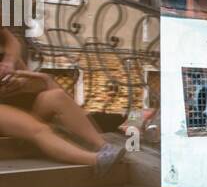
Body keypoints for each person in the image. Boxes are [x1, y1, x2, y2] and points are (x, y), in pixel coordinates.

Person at [0, 28, 124, 173]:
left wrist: (20, 83)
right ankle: (96, 160)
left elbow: (36, 84)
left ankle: (103, 146)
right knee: (39, 128)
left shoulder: (8, 51)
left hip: (21, 106)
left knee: (57, 95)